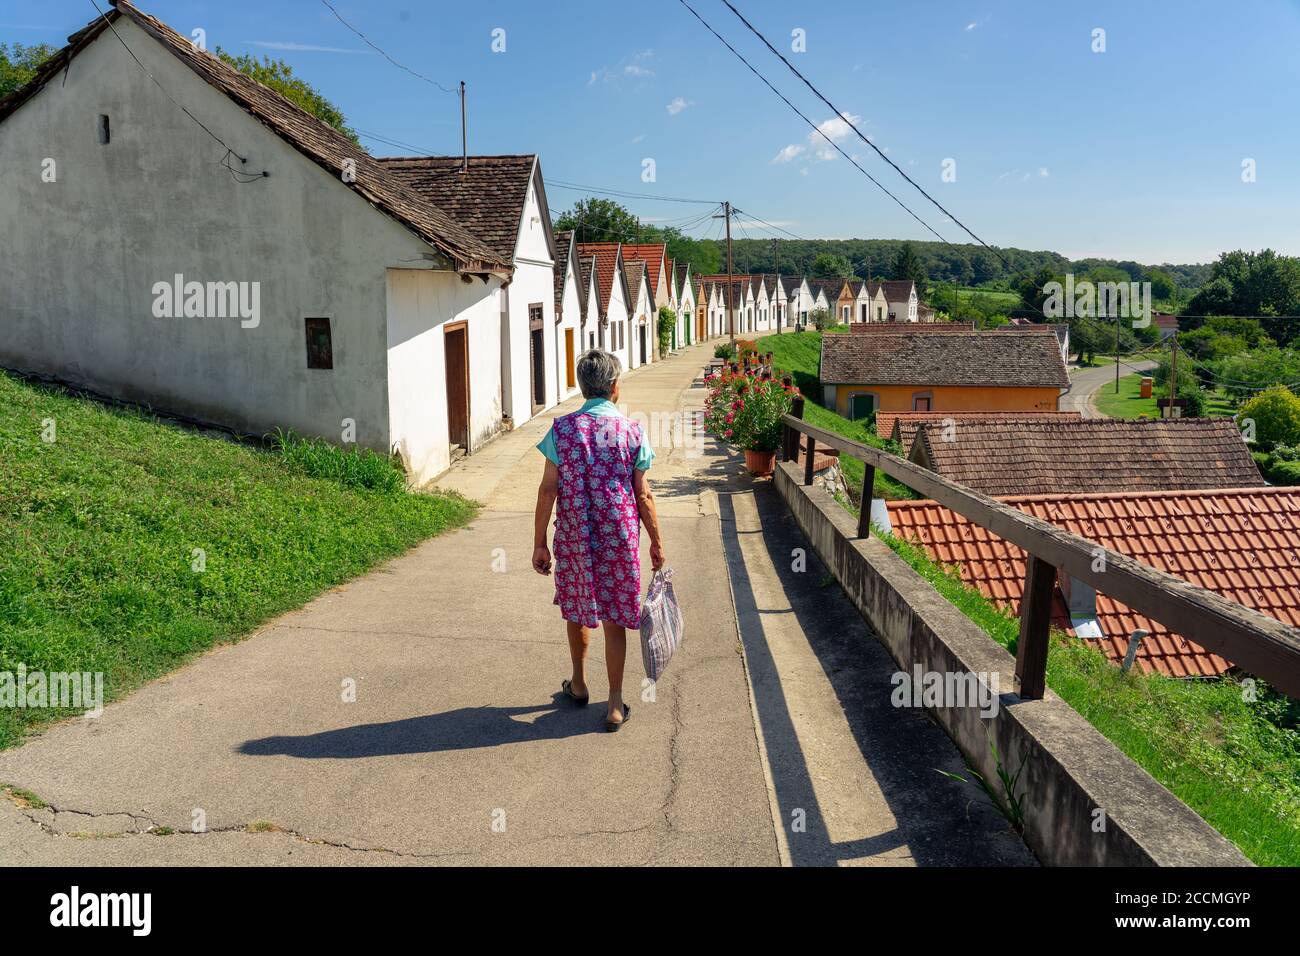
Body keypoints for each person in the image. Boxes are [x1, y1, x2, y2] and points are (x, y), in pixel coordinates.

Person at [532, 350, 666, 732]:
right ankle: (614, 704)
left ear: (582, 387)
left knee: (577, 606)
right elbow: (643, 495)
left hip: (575, 535)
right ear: (614, 388)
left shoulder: (562, 431)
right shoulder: (632, 432)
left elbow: (547, 491)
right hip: (619, 538)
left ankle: (578, 683)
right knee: (614, 616)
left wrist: (540, 542)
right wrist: (656, 541)